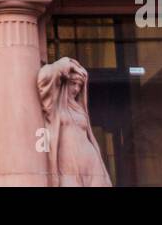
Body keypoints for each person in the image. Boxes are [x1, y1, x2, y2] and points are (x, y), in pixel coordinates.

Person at [37, 57, 113, 187]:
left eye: (80, 85)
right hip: (68, 162)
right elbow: (43, 79)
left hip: (91, 161)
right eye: (73, 83)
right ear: (65, 82)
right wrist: (64, 65)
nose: (77, 89)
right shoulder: (54, 106)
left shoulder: (80, 109)